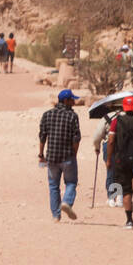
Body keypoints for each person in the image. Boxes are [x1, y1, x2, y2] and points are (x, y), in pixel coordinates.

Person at [38, 89, 81, 221]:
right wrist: (74, 153)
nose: (74, 102)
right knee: (71, 182)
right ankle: (67, 202)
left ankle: (56, 216)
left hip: (51, 157)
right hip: (67, 156)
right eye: (72, 100)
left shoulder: (47, 114)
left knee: (53, 186)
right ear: (66, 101)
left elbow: (42, 136)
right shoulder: (72, 116)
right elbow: (76, 138)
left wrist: (41, 154)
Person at [107, 95, 133, 229]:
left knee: (126, 190)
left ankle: (129, 220)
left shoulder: (116, 122)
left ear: (124, 107)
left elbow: (111, 141)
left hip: (121, 160)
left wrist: (109, 159)